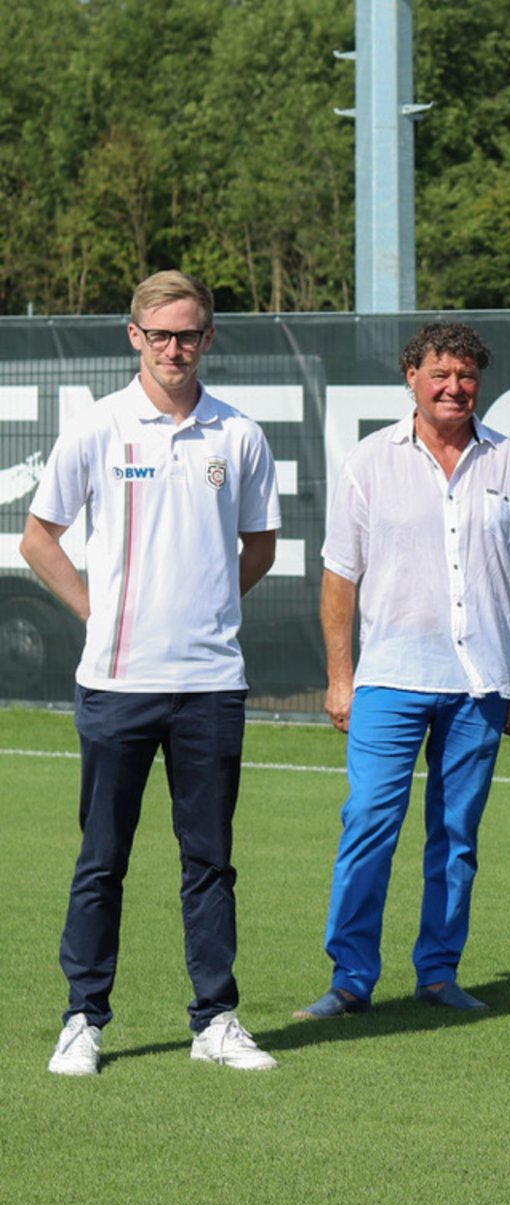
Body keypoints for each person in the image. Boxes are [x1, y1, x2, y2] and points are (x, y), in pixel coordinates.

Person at [21, 270, 281, 1075]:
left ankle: (216, 1019)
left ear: (210, 338)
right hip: (116, 682)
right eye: (161, 334)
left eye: (191, 333)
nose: (176, 348)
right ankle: (83, 1018)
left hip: (210, 685)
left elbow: (259, 546)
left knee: (209, 860)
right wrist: (103, 615)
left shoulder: (239, 434)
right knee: (103, 858)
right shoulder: (99, 427)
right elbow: (39, 538)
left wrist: (201, 612)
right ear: (133, 336)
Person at [295, 322, 510, 1021]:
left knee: (457, 836)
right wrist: (340, 675)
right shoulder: (367, 461)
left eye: (467, 375)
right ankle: (350, 978)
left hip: (481, 684)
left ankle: (438, 973)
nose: (455, 387)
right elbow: (338, 578)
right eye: (440, 373)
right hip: (388, 677)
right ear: (410, 375)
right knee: (368, 825)